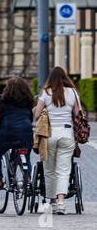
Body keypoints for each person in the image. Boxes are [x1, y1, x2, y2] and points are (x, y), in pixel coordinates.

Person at [33, 66, 81, 214]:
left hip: (49, 134)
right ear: (65, 78)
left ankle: (52, 201)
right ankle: (61, 203)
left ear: (51, 78)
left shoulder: (46, 92)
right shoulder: (72, 92)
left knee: (49, 170)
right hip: (67, 134)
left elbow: (37, 114)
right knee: (63, 170)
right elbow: (79, 114)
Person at [0, 76, 36, 191]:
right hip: (26, 132)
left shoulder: (3, 99)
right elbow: (30, 117)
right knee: (26, 158)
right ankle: (27, 178)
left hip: (6, 132)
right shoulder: (29, 100)